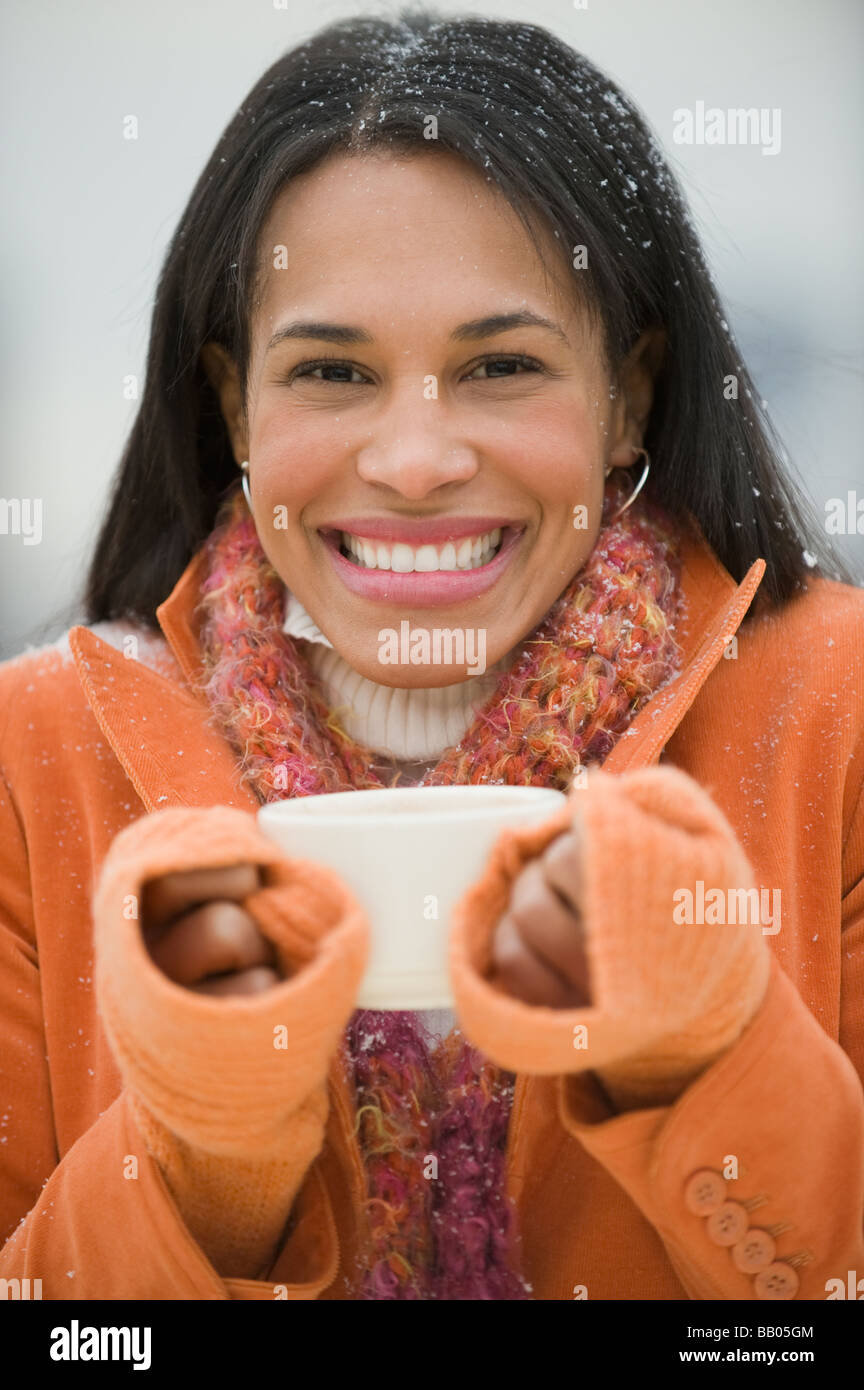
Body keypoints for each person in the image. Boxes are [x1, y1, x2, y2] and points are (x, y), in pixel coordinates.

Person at [0, 9, 861, 1301]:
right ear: (233, 398)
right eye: (334, 371)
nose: (413, 461)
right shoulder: (31, 758)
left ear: (631, 390)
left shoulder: (838, 716)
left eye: (502, 365)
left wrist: (709, 1052)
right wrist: (205, 1153)